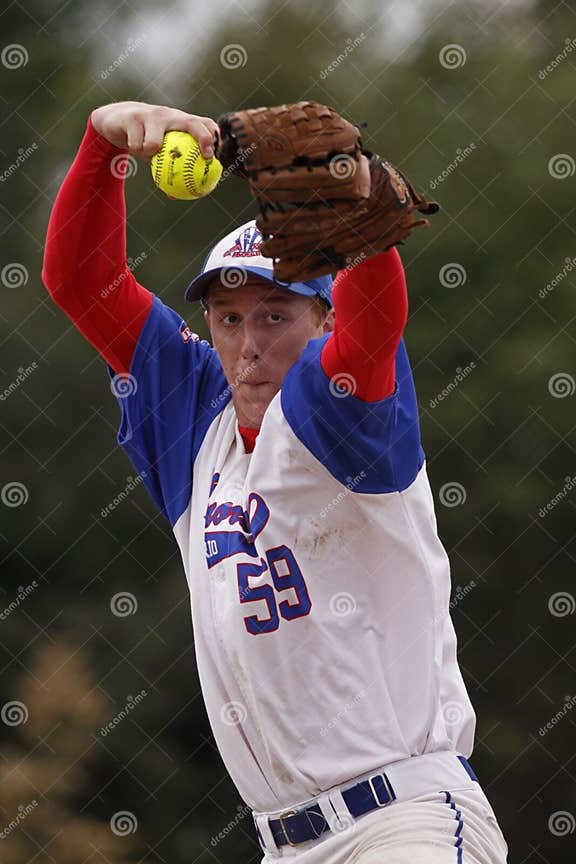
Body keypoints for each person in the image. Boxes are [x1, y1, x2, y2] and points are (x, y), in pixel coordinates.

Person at [42, 101, 509, 863]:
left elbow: (374, 322)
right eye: (227, 318)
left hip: (404, 821)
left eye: (275, 314)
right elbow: (81, 280)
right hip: (282, 842)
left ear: (322, 322)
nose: (248, 344)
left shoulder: (337, 410)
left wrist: (354, 211)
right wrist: (102, 147)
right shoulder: (198, 422)